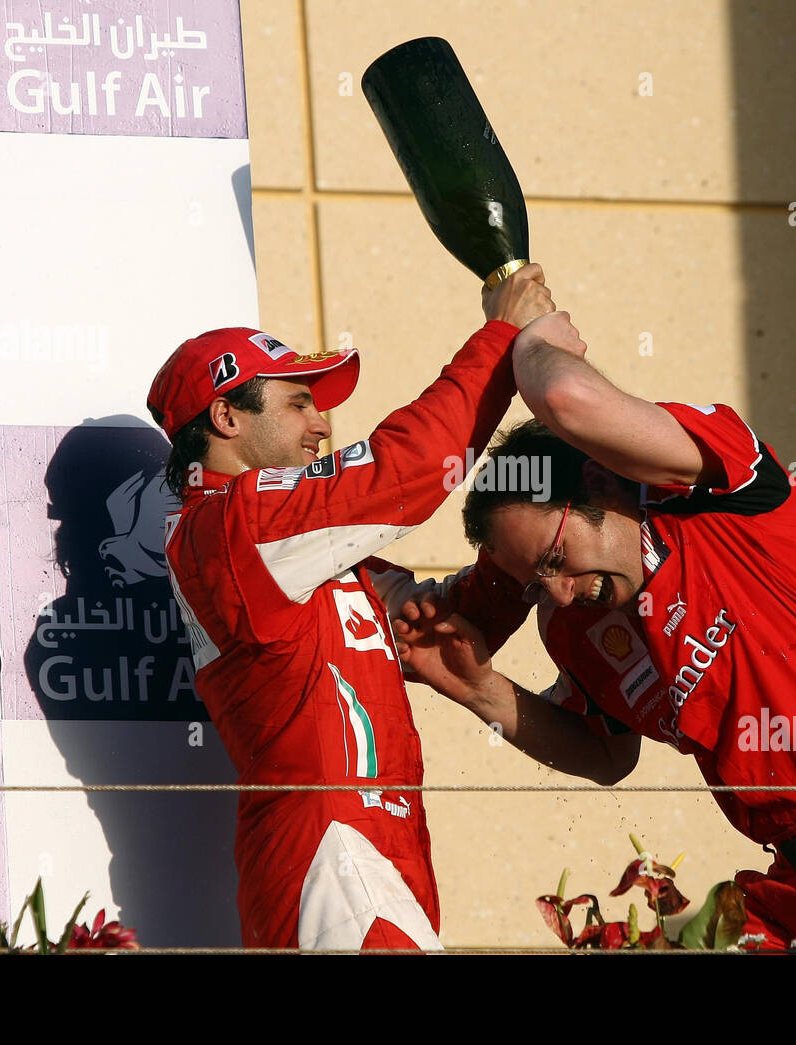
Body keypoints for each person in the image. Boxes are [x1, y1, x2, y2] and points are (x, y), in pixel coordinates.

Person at [393, 310, 796, 950]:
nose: (557, 593)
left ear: (597, 483)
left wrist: (526, 331)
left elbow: (567, 396)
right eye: (536, 583)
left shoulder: (713, 497)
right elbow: (608, 756)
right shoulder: (575, 627)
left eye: (556, 559)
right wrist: (482, 692)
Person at [145, 263, 554, 950]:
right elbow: (408, 470)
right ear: (225, 416)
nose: (322, 424)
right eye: (298, 402)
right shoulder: (235, 524)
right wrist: (503, 337)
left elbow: (447, 625)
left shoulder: (293, 544)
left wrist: (536, 548)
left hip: (371, 846)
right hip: (329, 852)